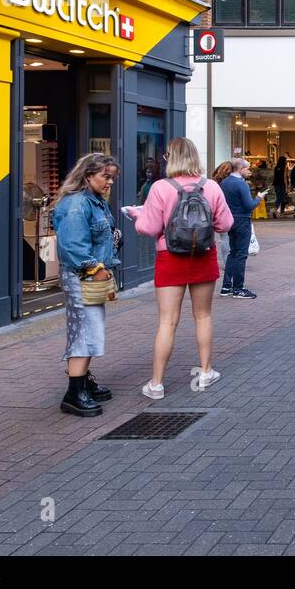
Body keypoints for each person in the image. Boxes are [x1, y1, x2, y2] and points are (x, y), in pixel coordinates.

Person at [130, 137, 234, 399]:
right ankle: (206, 371)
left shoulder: (160, 188)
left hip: (170, 257)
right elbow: (226, 224)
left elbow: (148, 228)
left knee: (167, 321)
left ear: (170, 158)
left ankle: (156, 384)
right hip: (203, 254)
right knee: (203, 316)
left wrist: (137, 216)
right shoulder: (210, 186)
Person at [53, 153, 121, 417]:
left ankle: (82, 382)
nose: (110, 182)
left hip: (91, 276)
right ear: (87, 175)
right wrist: (95, 268)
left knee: (89, 330)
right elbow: (73, 247)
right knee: (83, 331)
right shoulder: (77, 204)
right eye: (106, 176)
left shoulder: (94, 202)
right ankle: (74, 392)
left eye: (112, 177)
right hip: (82, 277)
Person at [220, 158, 263, 299]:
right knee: (241, 254)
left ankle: (226, 286)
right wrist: (258, 198)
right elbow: (249, 205)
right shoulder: (241, 184)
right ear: (240, 169)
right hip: (242, 220)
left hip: (229, 219)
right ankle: (238, 288)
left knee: (233, 252)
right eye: (247, 168)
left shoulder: (224, 183)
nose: (249, 171)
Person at [271, 154, 289, 219]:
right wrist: (286, 186)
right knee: (283, 199)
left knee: (278, 198)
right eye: (285, 160)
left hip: (276, 184)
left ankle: (275, 210)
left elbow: (274, 176)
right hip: (282, 184)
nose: (286, 161)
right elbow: (284, 177)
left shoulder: (275, 167)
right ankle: (281, 213)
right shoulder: (285, 167)